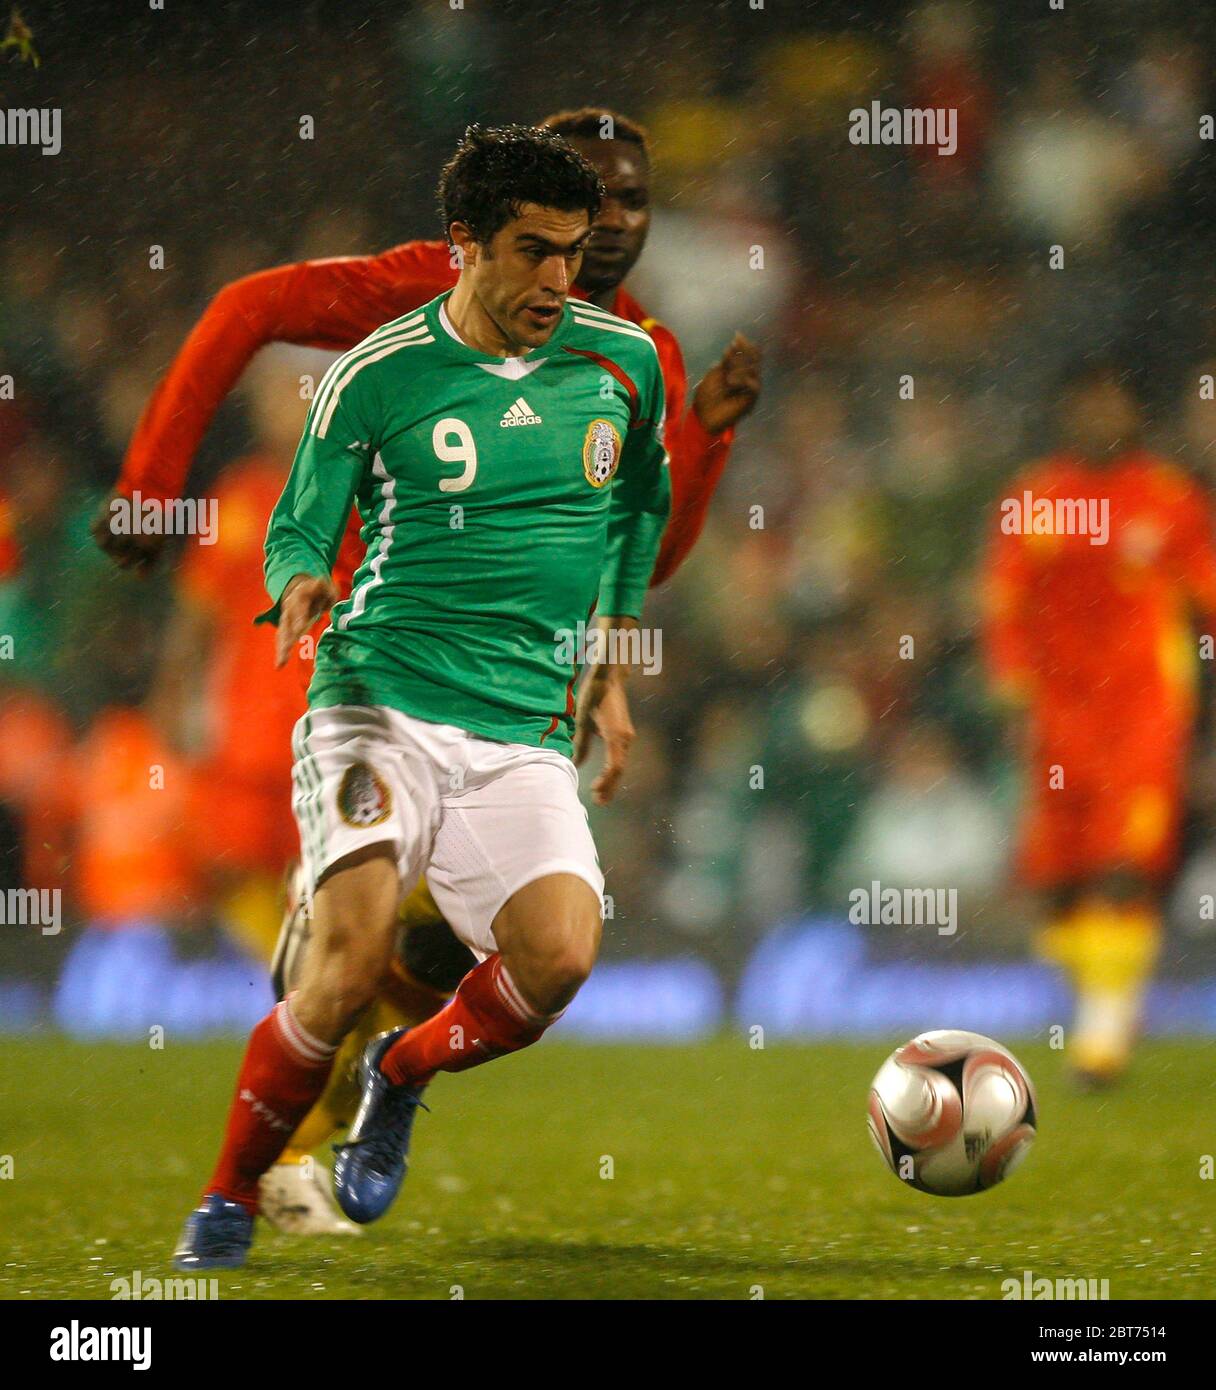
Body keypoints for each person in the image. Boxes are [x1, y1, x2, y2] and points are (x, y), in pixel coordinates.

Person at [95, 107, 762, 1235]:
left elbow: (641, 546)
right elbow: (249, 309)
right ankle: (262, 1169)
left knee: (453, 957)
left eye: (629, 201)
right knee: (354, 954)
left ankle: (363, 1092)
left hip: (517, 694)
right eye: (582, 201)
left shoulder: (637, 349)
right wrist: (151, 481)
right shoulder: (414, 294)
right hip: (377, 661)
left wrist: (705, 439)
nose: (607, 225)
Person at [981, 360, 1216, 1085]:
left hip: (1142, 711)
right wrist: (1013, 692)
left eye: (1110, 404)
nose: (1099, 418)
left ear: (1132, 412)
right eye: (1087, 405)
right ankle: (1105, 1000)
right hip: (1057, 714)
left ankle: (1103, 1034)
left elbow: (1208, 591)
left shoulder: (1168, 498)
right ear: (1067, 413)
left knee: (1124, 866)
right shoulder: (1034, 499)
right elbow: (1004, 603)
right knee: (1059, 884)